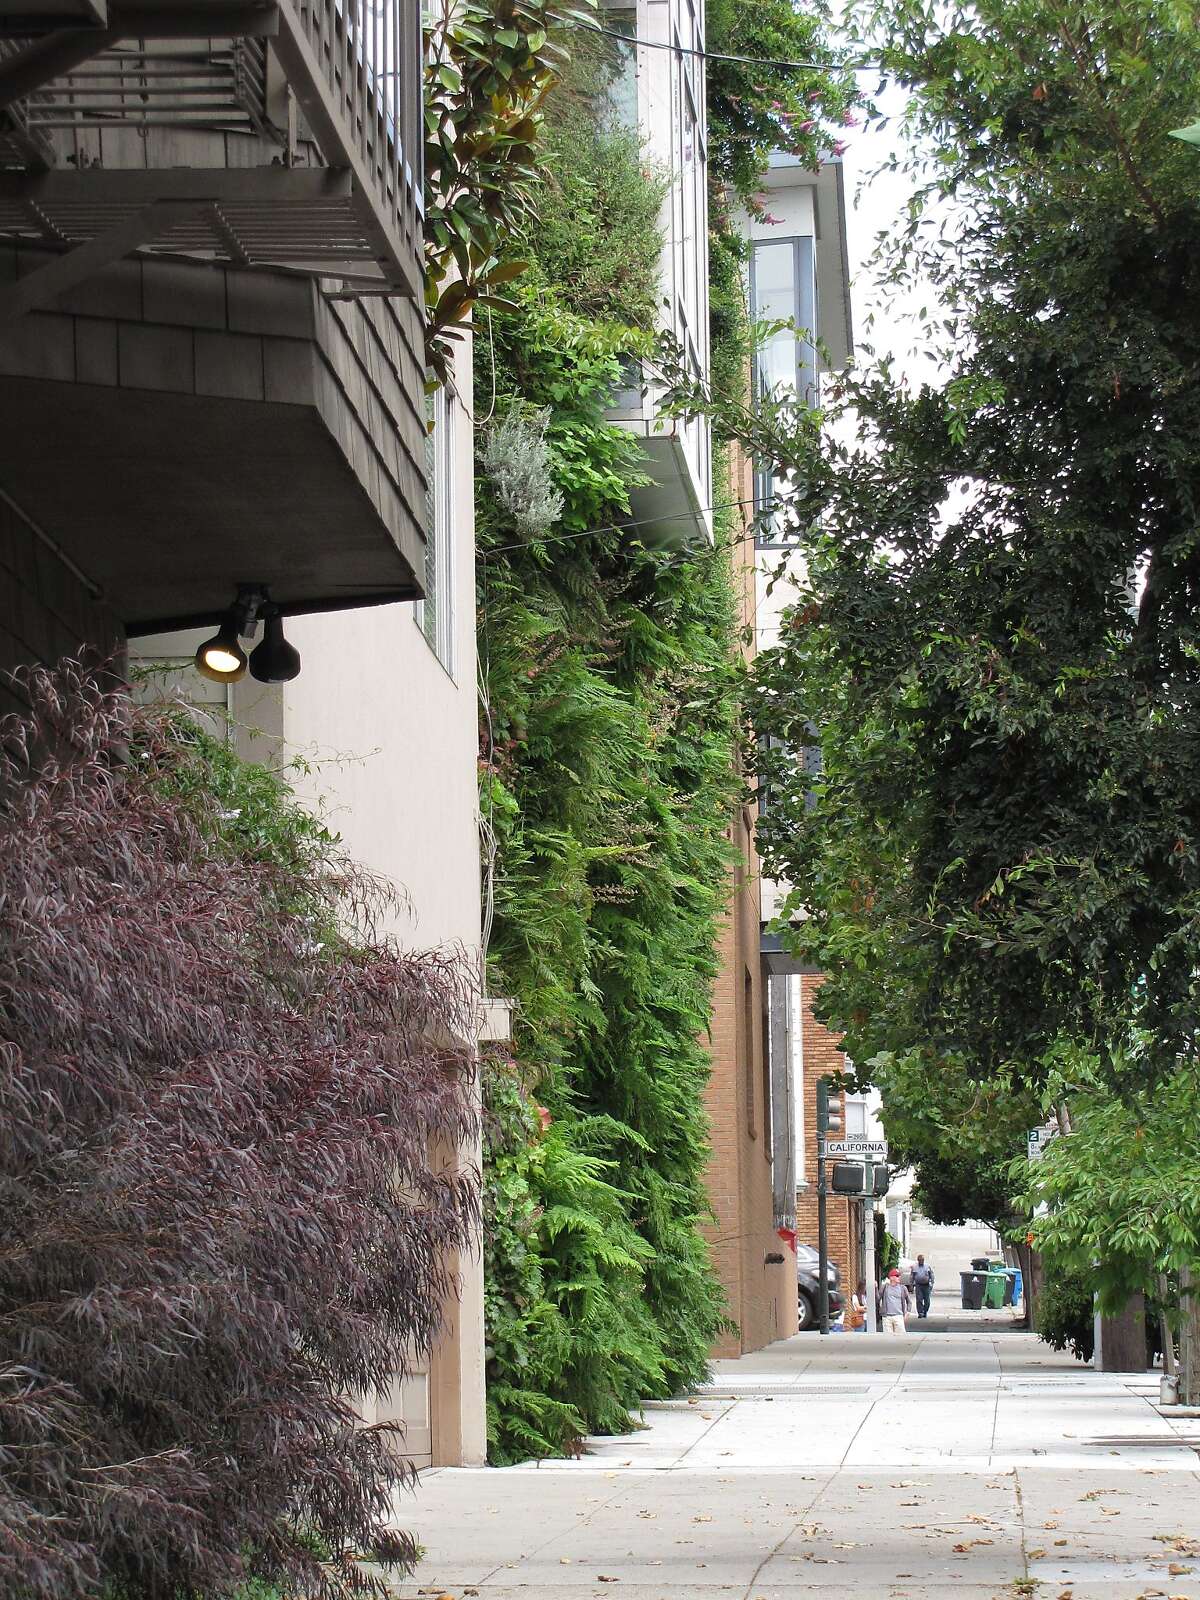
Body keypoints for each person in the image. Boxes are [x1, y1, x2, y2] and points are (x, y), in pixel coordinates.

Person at [879, 1267, 911, 1334]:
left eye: (899, 1276)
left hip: (898, 1316)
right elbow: (877, 1298)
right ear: (891, 1277)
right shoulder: (885, 1287)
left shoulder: (903, 1288)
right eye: (897, 1276)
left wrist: (908, 1312)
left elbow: (909, 1301)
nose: (899, 1277)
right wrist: (876, 1288)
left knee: (901, 1338)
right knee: (888, 1340)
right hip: (887, 1317)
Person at [912, 1254, 935, 1319]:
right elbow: (912, 1276)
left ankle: (925, 1311)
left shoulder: (927, 1266)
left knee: (927, 1300)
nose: (921, 1261)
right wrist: (911, 1284)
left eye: (922, 1260)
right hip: (918, 1285)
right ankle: (920, 1312)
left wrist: (932, 1282)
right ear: (918, 1260)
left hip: (926, 1285)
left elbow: (931, 1275)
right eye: (920, 1260)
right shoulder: (915, 1267)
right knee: (919, 1299)